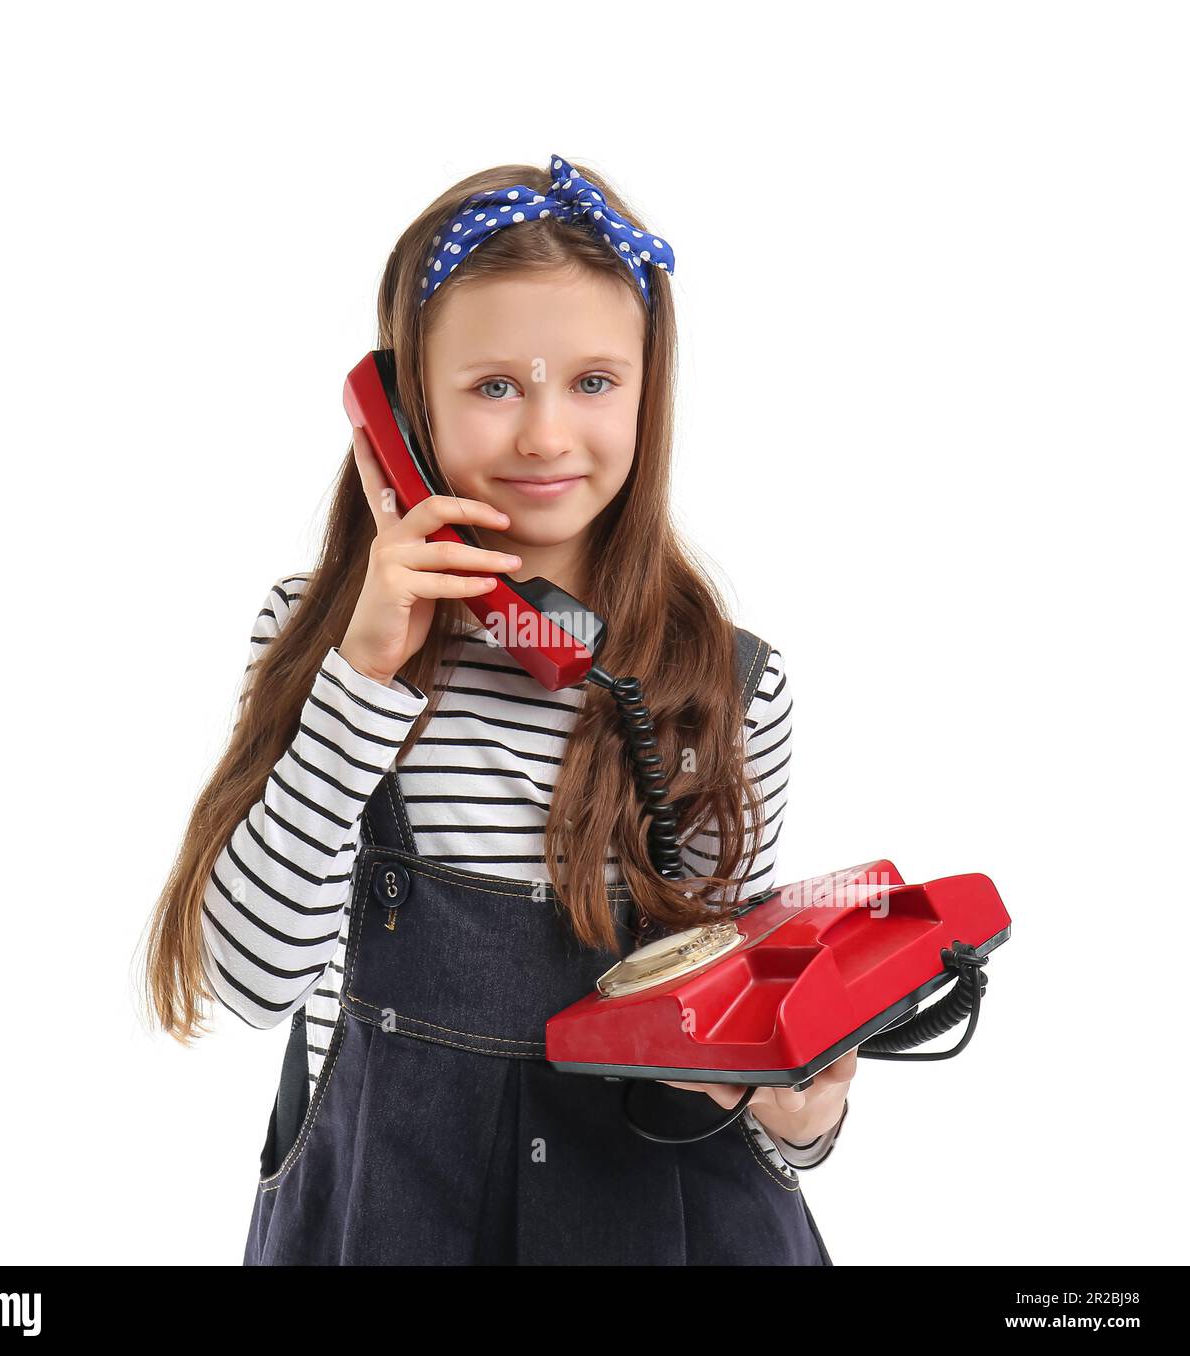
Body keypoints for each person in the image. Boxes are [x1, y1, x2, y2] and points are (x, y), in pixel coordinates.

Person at [143, 153, 852, 1265]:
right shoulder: (316, 645)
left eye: (592, 381)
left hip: (660, 1225)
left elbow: (735, 1042)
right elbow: (250, 976)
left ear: (648, 393)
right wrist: (364, 675)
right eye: (493, 386)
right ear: (399, 410)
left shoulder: (728, 688)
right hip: (389, 1217)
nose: (544, 437)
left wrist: (799, 1116)